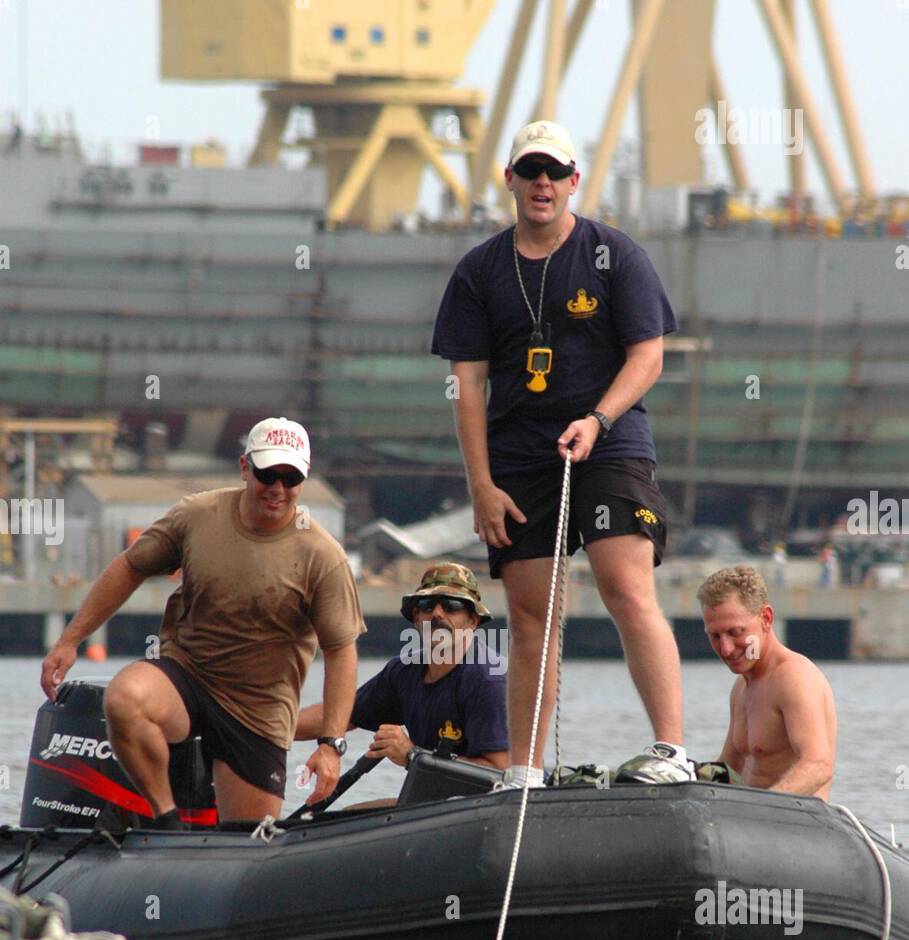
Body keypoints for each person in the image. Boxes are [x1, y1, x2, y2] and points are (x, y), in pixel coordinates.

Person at [432, 119, 692, 788]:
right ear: (510, 181)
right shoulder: (479, 270)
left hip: (607, 442)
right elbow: (465, 385)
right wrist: (481, 486)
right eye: (530, 171)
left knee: (624, 586)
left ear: (574, 181)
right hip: (519, 455)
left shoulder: (616, 254)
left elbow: (648, 354)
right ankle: (523, 770)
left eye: (554, 172)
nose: (541, 183)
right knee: (529, 616)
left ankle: (670, 750)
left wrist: (598, 419)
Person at [40, 418, 365, 825]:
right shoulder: (197, 515)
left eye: (291, 477)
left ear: (304, 477)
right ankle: (164, 819)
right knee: (124, 698)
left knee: (245, 844)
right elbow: (130, 566)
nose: (278, 489)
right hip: (187, 675)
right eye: (268, 475)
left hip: (259, 709)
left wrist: (330, 746)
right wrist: (70, 640)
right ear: (245, 468)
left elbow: (341, 651)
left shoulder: (324, 556)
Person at [295, 563, 508, 774]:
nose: (437, 614)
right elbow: (339, 714)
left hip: (487, 803)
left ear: (472, 621)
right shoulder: (403, 672)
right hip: (428, 799)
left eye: (451, 605)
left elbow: (499, 773)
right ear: (416, 619)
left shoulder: (489, 681)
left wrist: (413, 756)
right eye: (426, 605)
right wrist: (270, 728)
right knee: (350, 810)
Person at [698, 566, 837, 799]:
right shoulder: (741, 687)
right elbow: (728, 769)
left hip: (796, 826)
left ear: (766, 618)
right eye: (715, 636)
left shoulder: (794, 678)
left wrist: (761, 808)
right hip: (749, 824)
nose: (725, 648)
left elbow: (819, 765)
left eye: (736, 632)